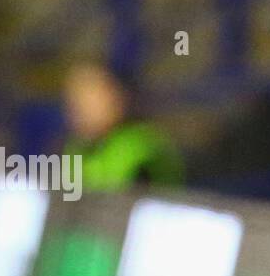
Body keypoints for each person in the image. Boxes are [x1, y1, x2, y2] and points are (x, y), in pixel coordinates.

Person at [61, 62, 184, 191]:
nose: (79, 110)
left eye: (89, 100)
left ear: (116, 98)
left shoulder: (142, 145)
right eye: (73, 101)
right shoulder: (74, 147)